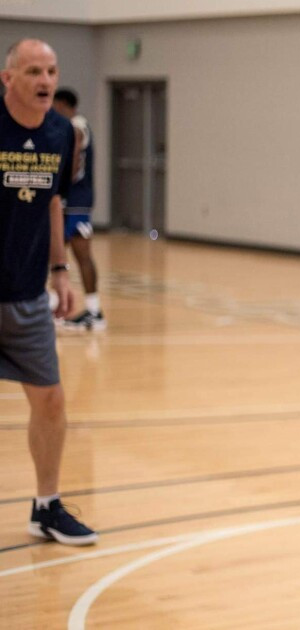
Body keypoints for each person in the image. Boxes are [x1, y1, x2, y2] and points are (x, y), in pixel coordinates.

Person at [1, 38, 98, 545]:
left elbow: (54, 201)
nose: (45, 81)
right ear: (8, 78)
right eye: (34, 70)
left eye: (52, 71)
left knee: (52, 401)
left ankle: (46, 507)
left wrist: (60, 269)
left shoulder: (62, 133)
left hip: (25, 294)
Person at [52, 87, 105, 331]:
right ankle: (57, 306)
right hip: (72, 202)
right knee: (54, 253)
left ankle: (94, 312)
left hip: (75, 202)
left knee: (81, 255)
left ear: (62, 104)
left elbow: (71, 163)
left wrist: (58, 186)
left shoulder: (75, 126)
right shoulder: (78, 125)